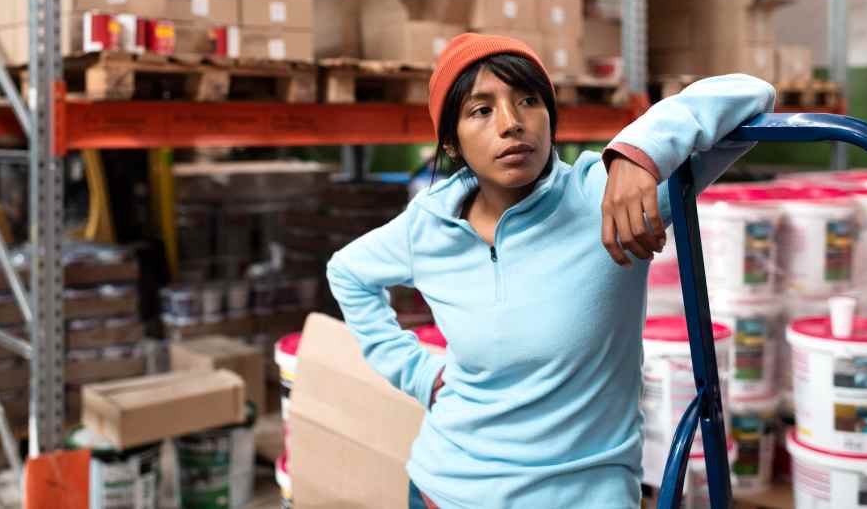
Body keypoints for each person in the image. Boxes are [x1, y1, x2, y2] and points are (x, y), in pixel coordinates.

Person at [327, 34, 775, 508]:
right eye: (481, 110)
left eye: (528, 100)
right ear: (452, 144)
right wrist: (417, 373)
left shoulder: (605, 196)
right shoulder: (430, 223)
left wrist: (638, 152)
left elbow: (750, 92)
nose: (511, 123)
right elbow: (348, 273)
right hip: (444, 490)